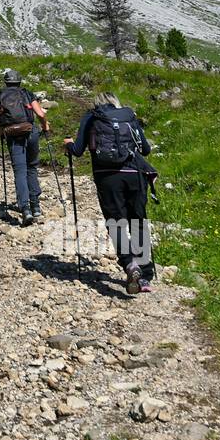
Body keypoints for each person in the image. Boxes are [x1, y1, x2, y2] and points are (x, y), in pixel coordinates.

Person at [64, 92, 158, 294]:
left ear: (96, 104)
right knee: (138, 222)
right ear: (115, 102)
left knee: (116, 223)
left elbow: (78, 150)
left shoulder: (91, 117)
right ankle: (145, 276)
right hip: (134, 174)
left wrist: (68, 145)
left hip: (107, 178)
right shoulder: (128, 115)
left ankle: (130, 264)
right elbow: (146, 149)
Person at [0, 69, 49, 225]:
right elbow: (41, 114)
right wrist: (45, 128)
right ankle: (35, 205)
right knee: (32, 167)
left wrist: (0, 132)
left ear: (6, 82)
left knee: (20, 171)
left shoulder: (0, 95)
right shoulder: (27, 93)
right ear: (19, 81)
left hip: (13, 135)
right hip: (31, 133)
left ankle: (24, 208)